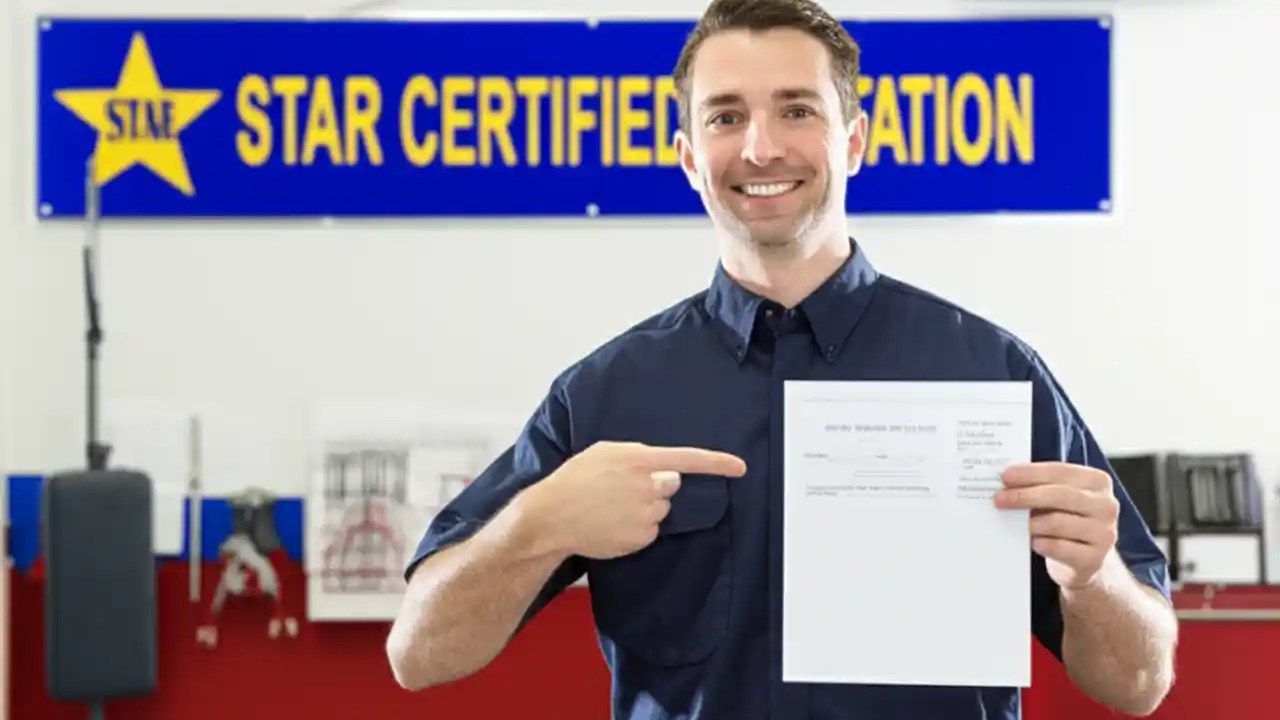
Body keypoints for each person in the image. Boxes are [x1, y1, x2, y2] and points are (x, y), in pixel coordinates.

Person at [385, 0, 1179, 717]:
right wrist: (541, 521)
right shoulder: (608, 395)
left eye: (796, 110)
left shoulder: (991, 372)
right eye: (725, 118)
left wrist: (1094, 576)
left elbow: (1139, 684)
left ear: (855, 140)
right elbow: (418, 655)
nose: (761, 147)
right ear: (690, 157)